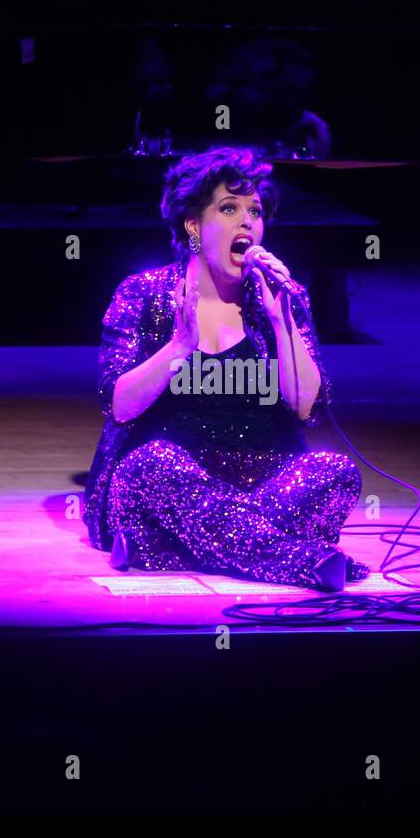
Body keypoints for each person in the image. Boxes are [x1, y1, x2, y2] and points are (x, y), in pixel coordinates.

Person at [82, 146, 367, 591]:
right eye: (229, 208)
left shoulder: (283, 299)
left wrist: (281, 319)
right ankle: (297, 559)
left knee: (335, 472)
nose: (247, 221)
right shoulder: (144, 293)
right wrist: (179, 346)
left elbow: (305, 408)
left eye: (255, 211)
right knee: (149, 466)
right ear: (193, 225)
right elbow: (119, 405)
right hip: (165, 483)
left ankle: (161, 546)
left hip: (266, 487)